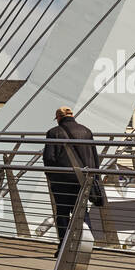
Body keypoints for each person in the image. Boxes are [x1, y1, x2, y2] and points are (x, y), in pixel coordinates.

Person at [42, 107, 105, 253]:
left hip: (62, 180)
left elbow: (49, 158)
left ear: (58, 118)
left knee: (63, 212)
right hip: (83, 179)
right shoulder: (86, 131)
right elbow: (94, 158)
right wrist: (95, 178)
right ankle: (85, 245)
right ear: (72, 116)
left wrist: (51, 177)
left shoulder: (53, 132)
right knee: (82, 211)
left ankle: (64, 246)